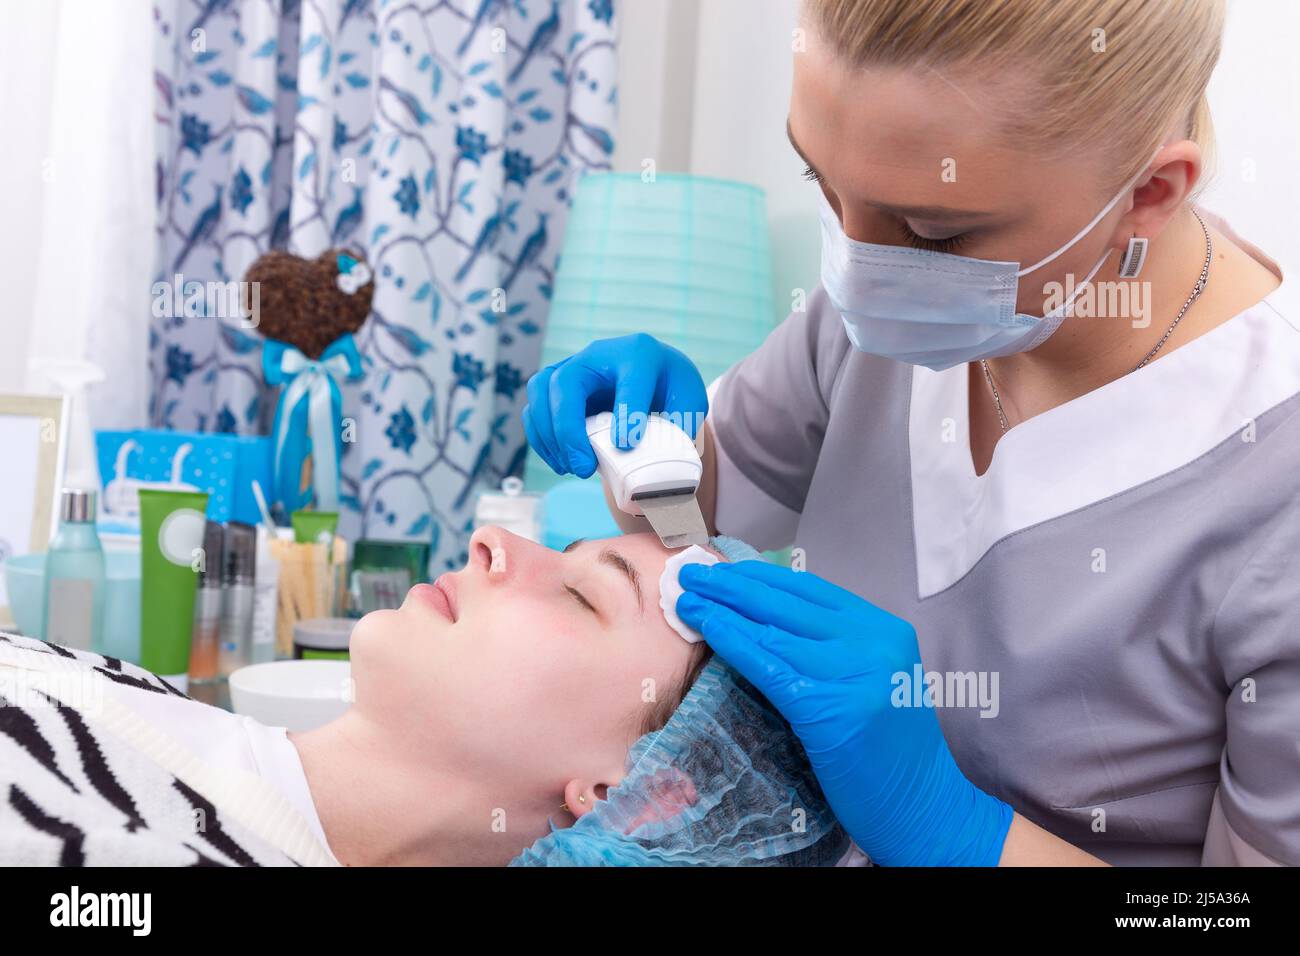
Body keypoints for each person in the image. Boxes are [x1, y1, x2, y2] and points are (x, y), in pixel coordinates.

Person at [523, 0, 1298, 866]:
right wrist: (652, 443)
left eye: (936, 231)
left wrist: (953, 830)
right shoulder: (886, 312)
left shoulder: (1276, 487)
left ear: (1150, 193)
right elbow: (687, 517)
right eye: (822, 182)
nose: (857, 266)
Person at [0, 529, 844, 866]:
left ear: (644, 793)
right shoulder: (140, 700)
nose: (495, 540)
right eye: (562, 546)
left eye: (584, 596)